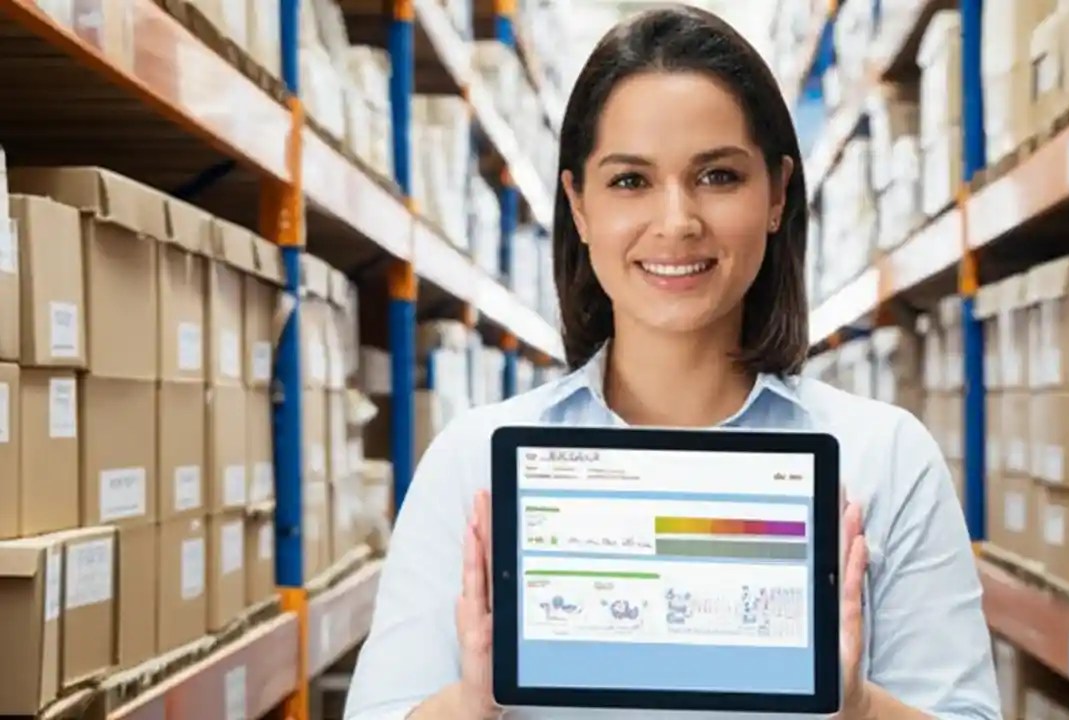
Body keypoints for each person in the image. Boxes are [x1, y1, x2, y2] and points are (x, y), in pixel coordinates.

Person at [344, 5, 1000, 719]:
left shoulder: (883, 459)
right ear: (579, 204)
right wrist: (472, 703)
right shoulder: (474, 465)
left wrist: (859, 707)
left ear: (777, 195)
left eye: (718, 176)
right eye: (630, 181)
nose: (678, 220)